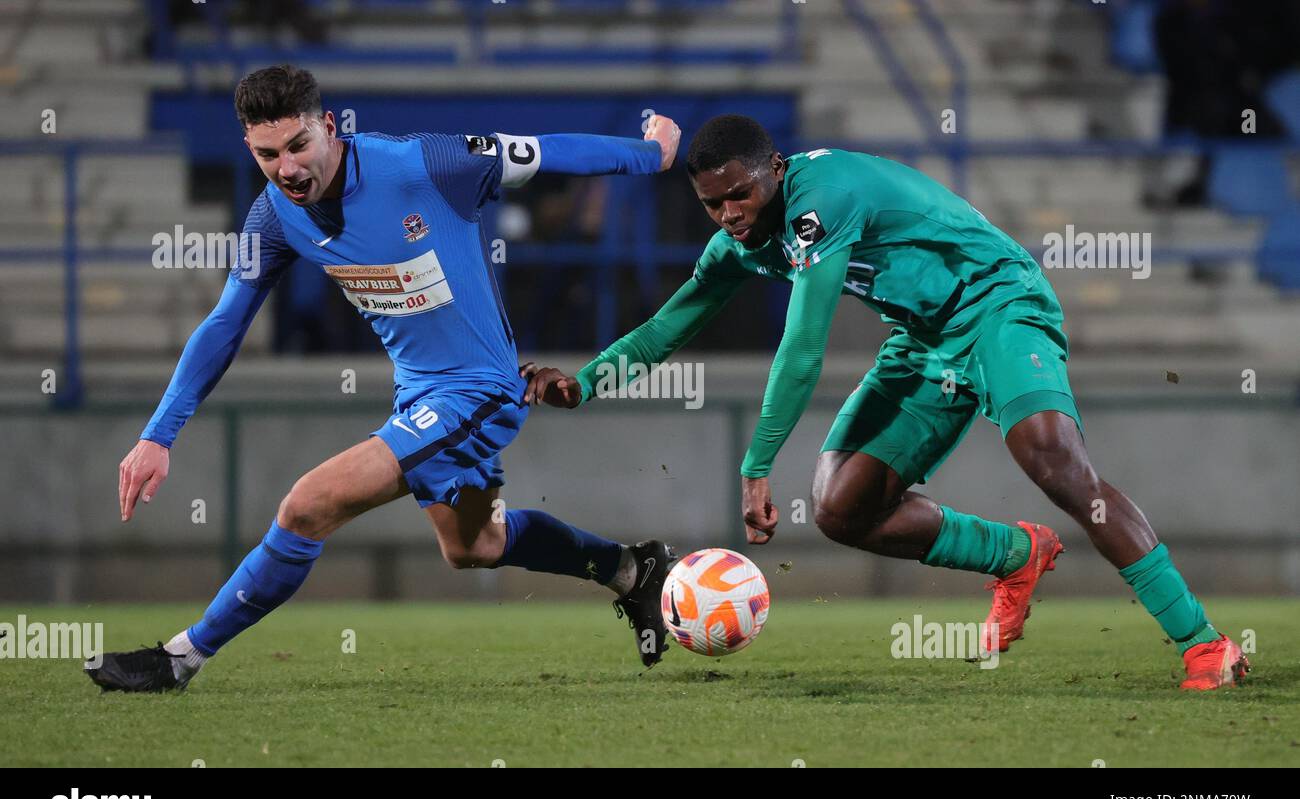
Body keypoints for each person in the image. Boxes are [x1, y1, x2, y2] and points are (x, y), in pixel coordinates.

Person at [522, 115, 1249, 690]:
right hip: (924, 337)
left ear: (775, 170)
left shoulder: (821, 199)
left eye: (740, 194)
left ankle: (1204, 644)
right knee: (841, 507)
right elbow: (664, 328)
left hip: (996, 301)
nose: (729, 214)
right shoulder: (739, 242)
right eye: (712, 203)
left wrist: (756, 465)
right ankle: (1018, 554)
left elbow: (803, 346)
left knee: (1053, 460)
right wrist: (585, 383)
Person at [90, 65, 683, 693]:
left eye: (298, 146)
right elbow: (223, 325)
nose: (287, 168)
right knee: (473, 546)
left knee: (305, 507)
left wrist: (652, 154)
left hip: (478, 394)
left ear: (328, 127)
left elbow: (549, 150)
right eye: (267, 154)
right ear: (249, 150)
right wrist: (159, 434)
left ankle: (180, 659)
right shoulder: (272, 218)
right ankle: (632, 570)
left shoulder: (422, 166)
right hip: (419, 396)